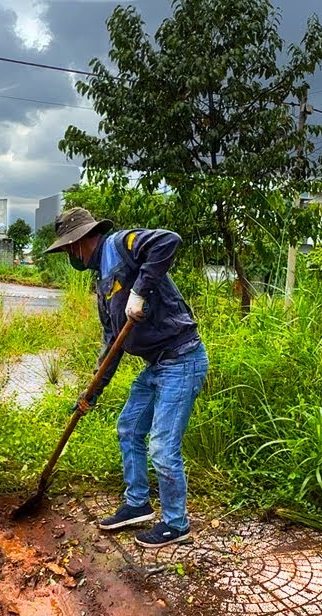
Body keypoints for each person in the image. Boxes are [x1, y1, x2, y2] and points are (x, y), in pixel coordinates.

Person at [44, 208, 209, 548]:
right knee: (129, 428)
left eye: (68, 248)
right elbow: (112, 345)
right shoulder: (102, 287)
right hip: (155, 364)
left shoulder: (122, 245)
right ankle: (137, 504)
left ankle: (176, 524)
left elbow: (168, 241)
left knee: (162, 447)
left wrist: (141, 290)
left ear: (82, 240)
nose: (69, 255)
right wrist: (93, 392)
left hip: (182, 358)